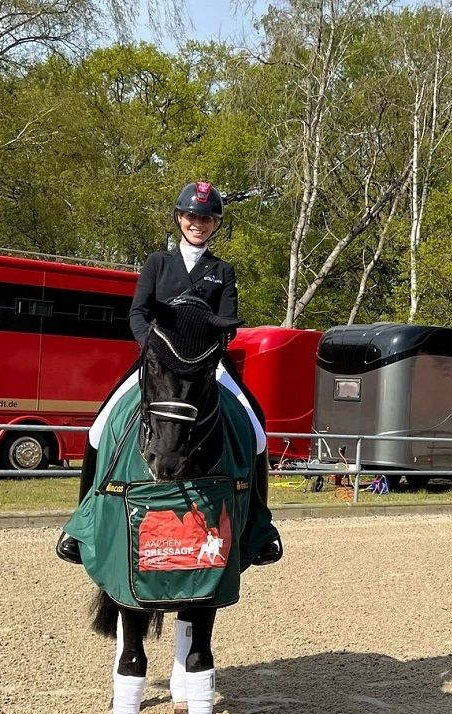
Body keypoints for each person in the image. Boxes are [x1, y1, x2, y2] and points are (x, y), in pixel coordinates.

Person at [56, 181, 282, 567]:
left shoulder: (222, 271)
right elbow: (138, 313)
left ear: (215, 225)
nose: (199, 223)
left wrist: (212, 346)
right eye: (193, 216)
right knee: (100, 425)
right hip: (157, 360)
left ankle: (258, 528)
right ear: (180, 218)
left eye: (207, 218)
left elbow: (227, 322)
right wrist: (152, 348)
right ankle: (82, 523)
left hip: (206, 364)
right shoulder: (157, 263)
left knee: (257, 429)